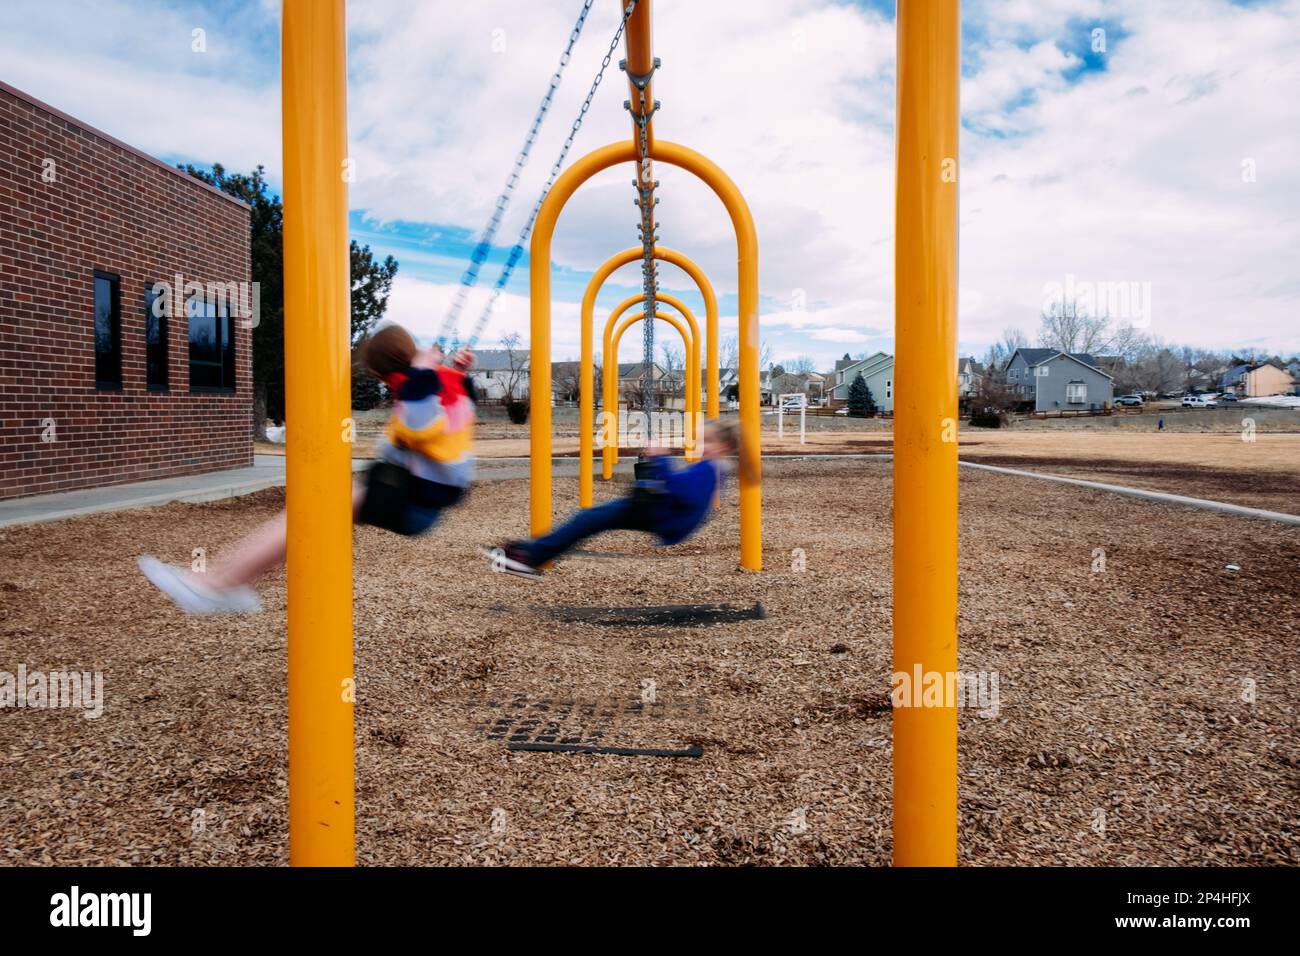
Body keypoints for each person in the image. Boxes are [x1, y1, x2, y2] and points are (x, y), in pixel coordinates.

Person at [138, 324, 476, 614]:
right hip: (419, 500)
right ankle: (234, 578)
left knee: (307, 513)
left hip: (414, 503)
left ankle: (217, 584)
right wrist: (457, 374)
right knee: (310, 518)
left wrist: (420, 373)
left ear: (379, 373)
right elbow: (449, 422)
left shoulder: (419, 392)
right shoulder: (440, 387)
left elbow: (420, 426)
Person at [488, 419, 743, 579]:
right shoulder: (711, 468)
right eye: (702, 441)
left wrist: (661, 457)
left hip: (660, 514)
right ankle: (529, 554)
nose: (702, 446)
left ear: (724, 447)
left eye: (708, 442)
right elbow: (680, 488)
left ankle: (528, 557)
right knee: (588, 520)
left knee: (587, 519)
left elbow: (682, 490)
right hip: (660, 511)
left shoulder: (711, 469)